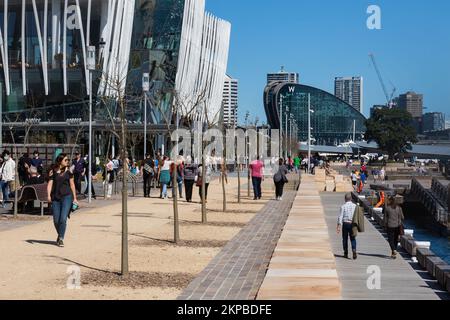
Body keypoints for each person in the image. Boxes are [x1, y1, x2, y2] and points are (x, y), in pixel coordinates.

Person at [47, 154, 78, 247]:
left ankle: (61, 238)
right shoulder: (53, 171)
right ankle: (60, 234)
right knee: (56, 220)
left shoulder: (69, 172)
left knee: (63, 219)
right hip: (56, 197)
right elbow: (50, 184)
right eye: (65, 160)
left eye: (68, 160)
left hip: (67, 197)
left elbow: (72, 185)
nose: (67, 161)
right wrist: (48, 195)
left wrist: (75, 198)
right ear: (60, 161)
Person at [337, 193, 357, 259]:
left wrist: (339, 226)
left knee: (345, 239)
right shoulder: (355, 206)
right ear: (351, 199)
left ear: (345, 199)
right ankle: (354, 250)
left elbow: (340, 217)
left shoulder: (343, 206)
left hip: (345, 223)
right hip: (352, 224)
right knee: (353, 238)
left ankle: (346, 253)